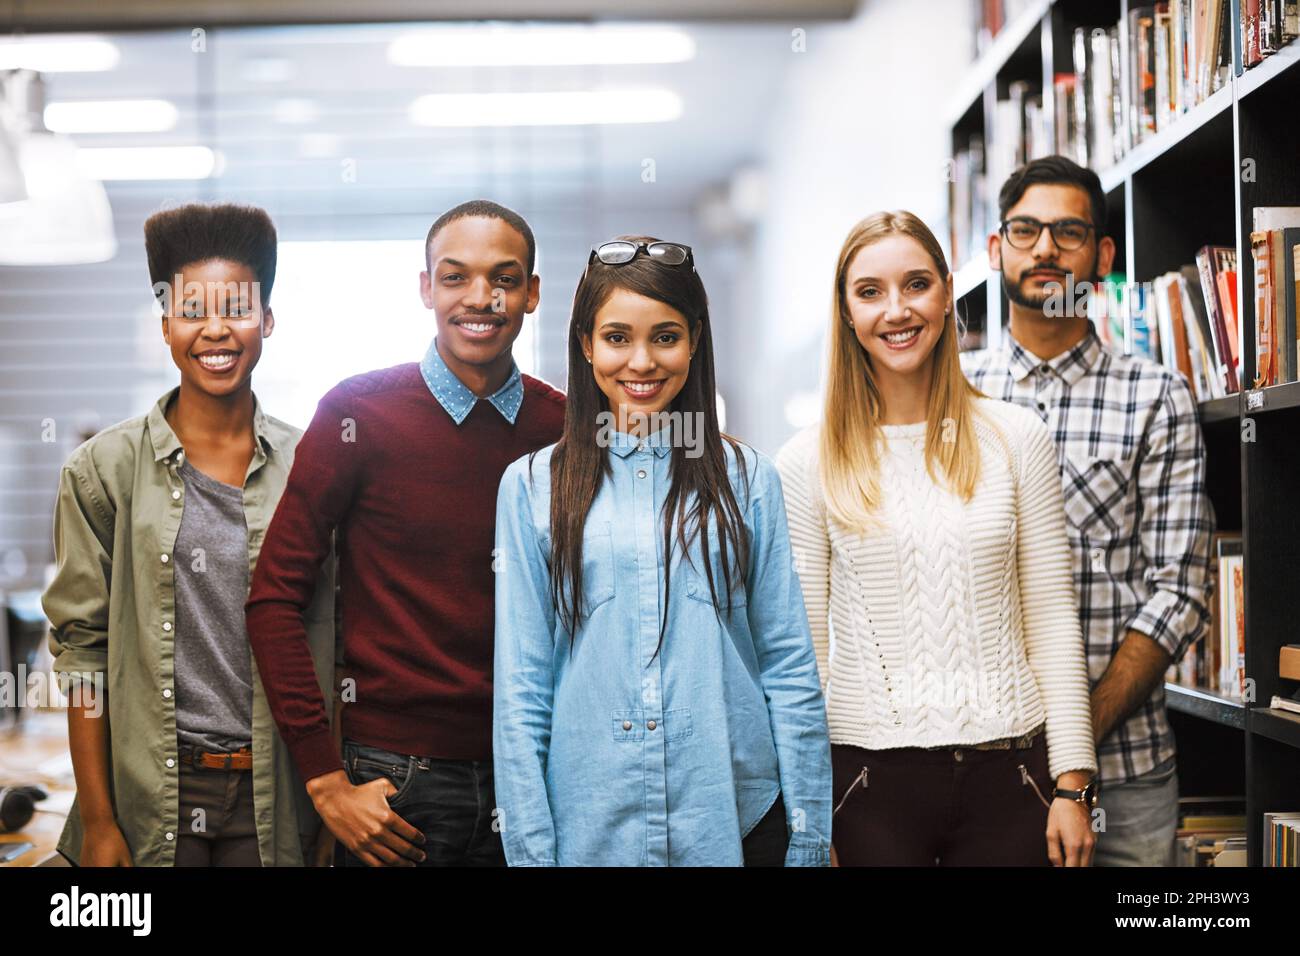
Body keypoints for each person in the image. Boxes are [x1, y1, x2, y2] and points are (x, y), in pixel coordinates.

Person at [492, 236, 832, 866]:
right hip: (591, 825)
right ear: (586, 345)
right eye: (618, 337)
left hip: (736, 817)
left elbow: (787, 665)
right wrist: (530, 850)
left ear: (695, 341)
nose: (641, 362)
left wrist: (810, 836)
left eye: (665, 337)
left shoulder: (748, 478)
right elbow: (521, 687)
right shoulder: (531, 487)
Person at [245, 199, 565, 867]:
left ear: (532, 292)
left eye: (504, 279)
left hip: (539, 775)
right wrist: (325, 780)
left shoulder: (562, 428)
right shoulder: (357, 413)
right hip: (396, 784)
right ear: (426, 288)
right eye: (455, 277)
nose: (481, 297)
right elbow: (273, 599)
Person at [776, 210, 1098, 866]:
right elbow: (802, 653)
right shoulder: (806, 461)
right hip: (867, 788)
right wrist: (810, 814)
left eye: (915, 284)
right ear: (845, 312)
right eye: (870, 292)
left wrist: (1073, 785)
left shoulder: (1016, 437)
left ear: (947, 291)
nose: (896, 310)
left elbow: (1052, 616)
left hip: (1013, 778)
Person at [42, 202, 337, 866]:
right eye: (191, 309)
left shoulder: (310, 469)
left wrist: (328, 807)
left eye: (236, 308)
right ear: (166, 322)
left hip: (276, 790)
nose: (215, 330)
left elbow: (335, 642)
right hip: (150, 792)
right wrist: (97, 822)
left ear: (265, 320)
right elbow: (82, 657)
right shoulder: (104, 471)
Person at [961, 156, 1214, 866]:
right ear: (995, 250)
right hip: (979, 769)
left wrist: (1076, 732)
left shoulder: (1156, 396)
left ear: (1101, 256)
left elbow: (1181, 592)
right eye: (1026, 230)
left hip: (1126, 774)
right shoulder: (952, 395)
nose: (1045, 248)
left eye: (1068, 232)